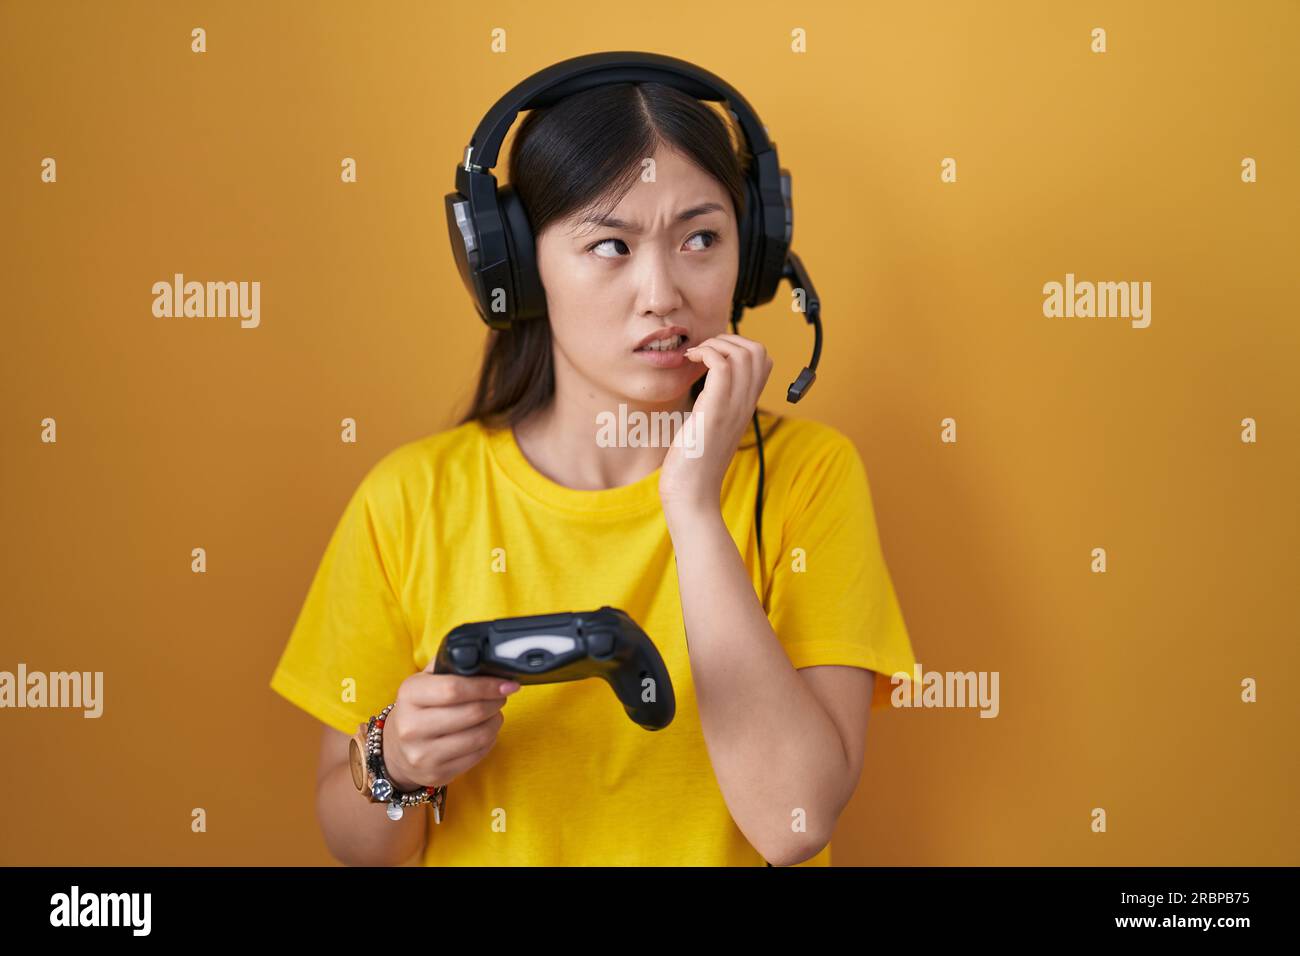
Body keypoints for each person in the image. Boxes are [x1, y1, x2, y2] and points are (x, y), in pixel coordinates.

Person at [269, 79, 917, 866]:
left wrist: (692, 506)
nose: (663, 294)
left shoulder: (809, 477)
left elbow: (795, 821)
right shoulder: (408, 499)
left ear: (753, 257)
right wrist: (397, 762)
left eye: (701, 238)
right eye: (610, 246)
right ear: (514, 267)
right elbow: (358, 848)